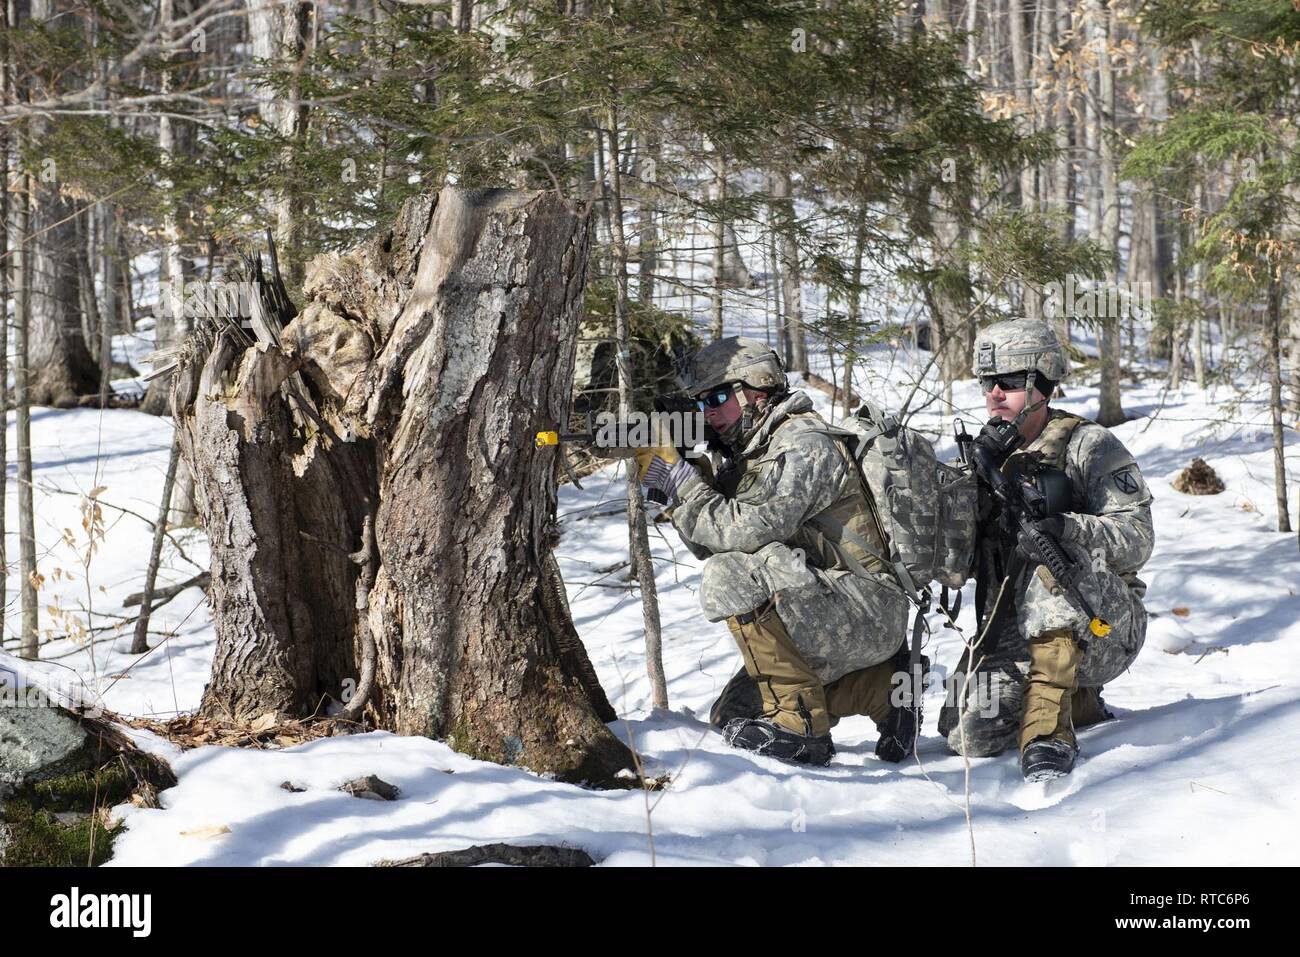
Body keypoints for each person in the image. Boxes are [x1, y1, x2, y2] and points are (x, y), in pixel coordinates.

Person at [634, 337, 917, 766]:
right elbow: (707, 541)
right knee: (734, 714)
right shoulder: (749, 452)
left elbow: (747, 532)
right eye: (700, 402)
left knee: (729, 574)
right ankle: (887, 689)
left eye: (718, 397)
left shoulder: (803, 443)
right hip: (825, 606)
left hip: (869, 608)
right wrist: (683, 481)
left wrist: (685, 486)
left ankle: (802, 728)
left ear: (758, 389)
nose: (708, 411)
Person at [937, 319, 1155, 780]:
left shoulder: (1088, 444)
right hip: (1018, 628)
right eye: (987, 383)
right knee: (966, 732)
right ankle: (1073, 695)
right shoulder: (980, 455)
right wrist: (964, 493)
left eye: (1010, 382)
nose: (994, 394)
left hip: (1102, 621)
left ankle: (1048, 734)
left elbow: (1137, 537)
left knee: (1047, 570)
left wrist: (1064, 527)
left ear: (1041, 385)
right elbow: (953, 568)